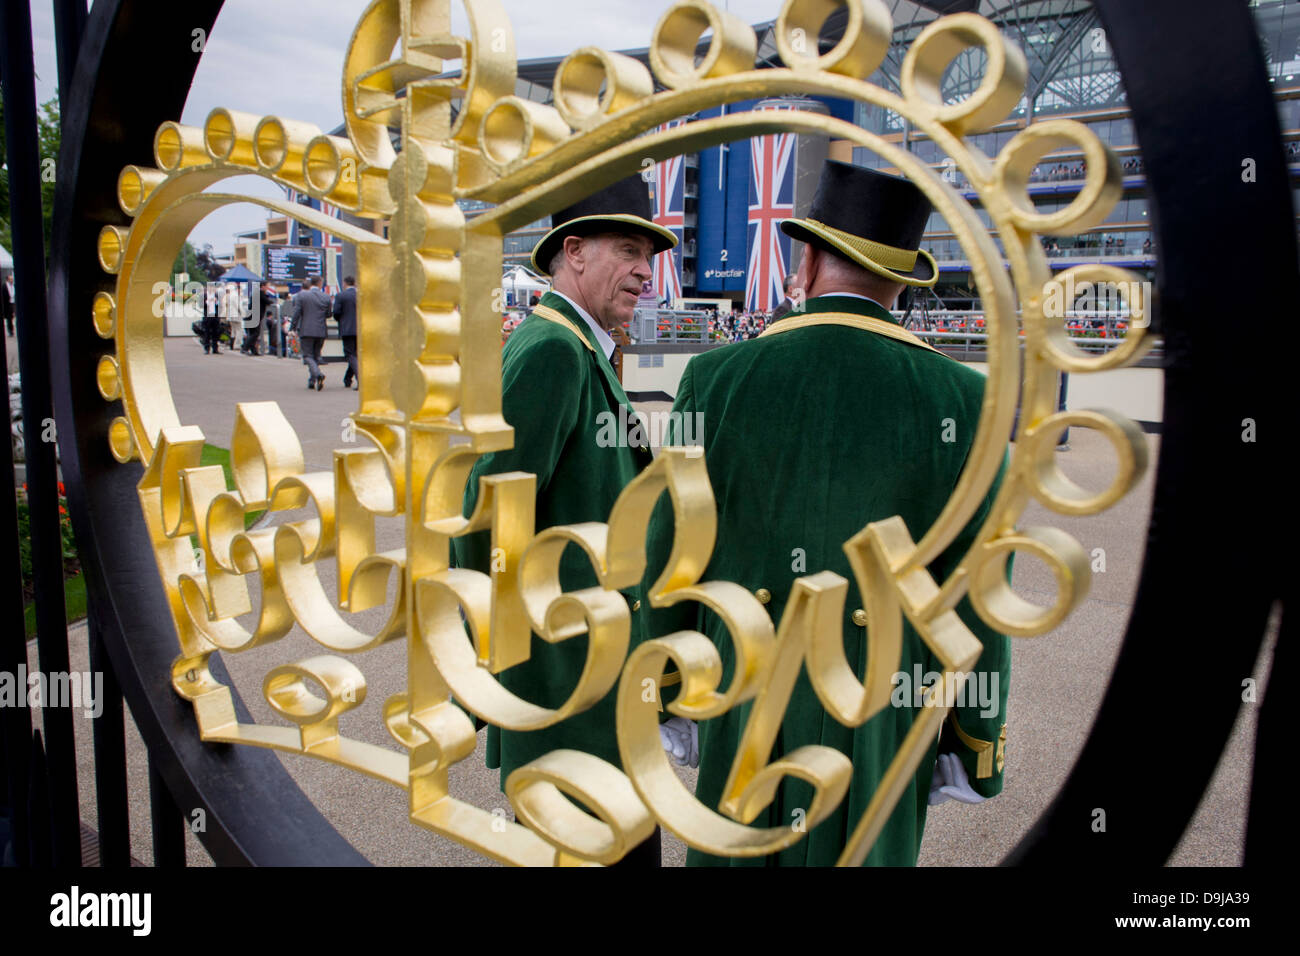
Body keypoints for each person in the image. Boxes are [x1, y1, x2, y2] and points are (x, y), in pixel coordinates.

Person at [642, 161, 1011, 866]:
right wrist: (973, 738)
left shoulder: (712, 380)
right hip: (882, 706)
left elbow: (670, 549)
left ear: (806, 260)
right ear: (901, 282)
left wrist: (664, 686)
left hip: (741, 681)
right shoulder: (968, 399)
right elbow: (979, 587)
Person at [451, 176, 676, 866]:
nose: (646, 272)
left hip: (592, 682)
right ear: (573, 252)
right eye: (630, 250)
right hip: (568, 688)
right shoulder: (553, 350)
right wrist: (498, 672)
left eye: (651, 257)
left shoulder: (576, 347)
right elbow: (489, 521)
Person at [290, 275, 332, 389]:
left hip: (306, 330)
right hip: (321, 331)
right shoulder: (326, 297)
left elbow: (297, 313)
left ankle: (318, 374)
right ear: (320, 283)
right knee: (316, 355)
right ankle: (312, 380)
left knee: (308, 356)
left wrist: (292, 327)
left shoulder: (302, 295)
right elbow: (328, 314)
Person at [333, 275, 359, 389]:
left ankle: (360, 378)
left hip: (347, 329)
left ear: (344, 283)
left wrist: (342, 320)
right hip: (361, 330)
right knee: (356, 355)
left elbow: (336, 312)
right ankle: (347, 379)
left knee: (350, 354)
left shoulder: (341, 296)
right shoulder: (362, 295)